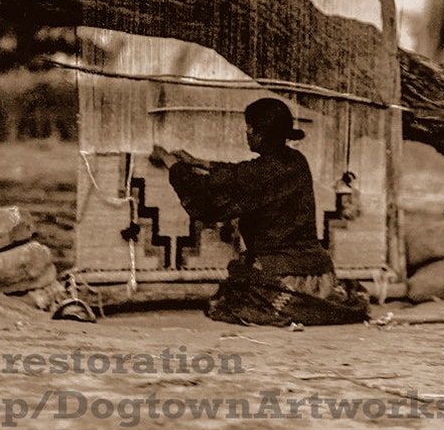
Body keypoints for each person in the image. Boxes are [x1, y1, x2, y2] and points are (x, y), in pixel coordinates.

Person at [153, 98, 369, 326]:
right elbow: (240, 173)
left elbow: (207, 195)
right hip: (321, 275)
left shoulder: (262, 172)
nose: (246, 131)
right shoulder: (297, 161)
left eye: (250, 126)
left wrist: (171, 163)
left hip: (287, 278)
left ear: (261, 133)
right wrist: (200, 162)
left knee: (233, 297)